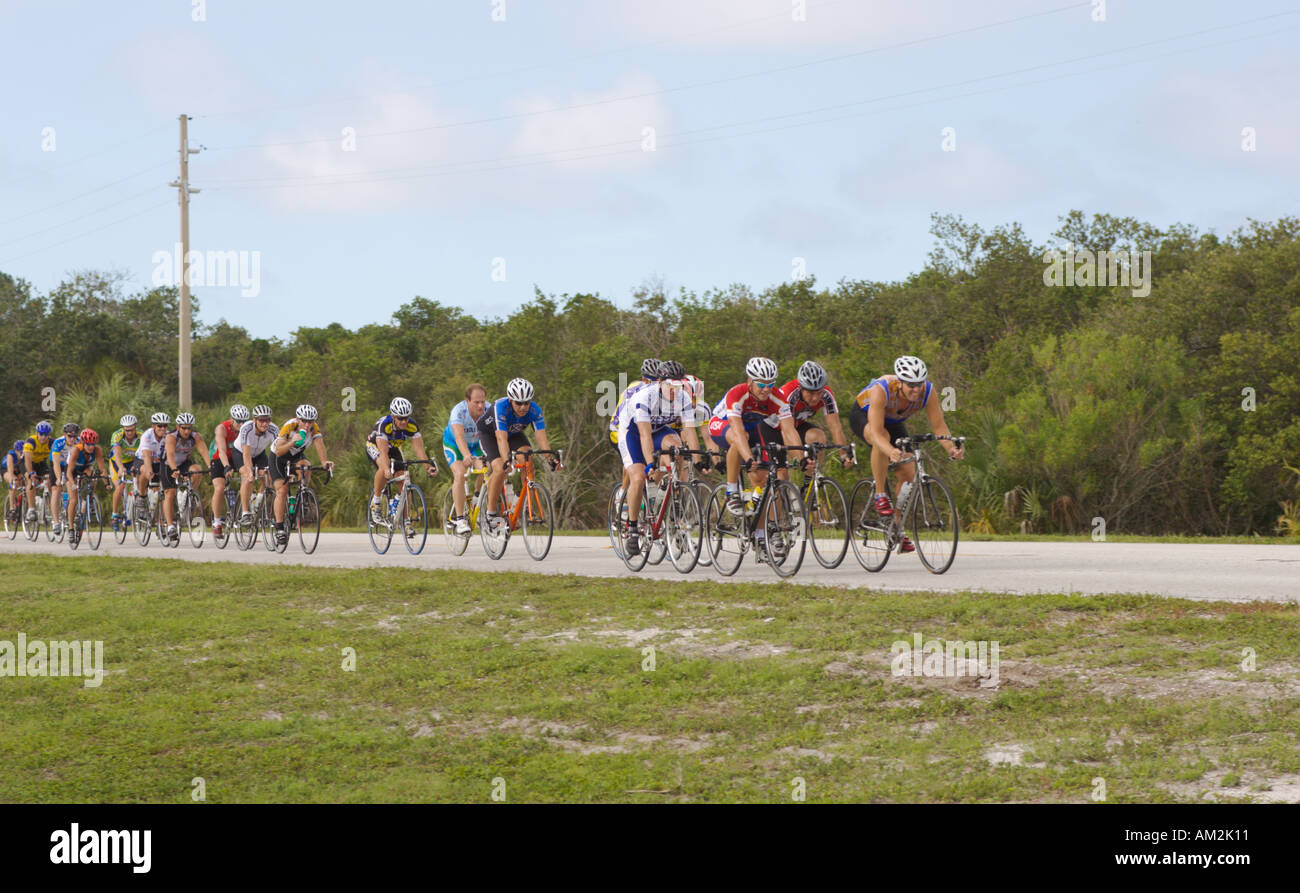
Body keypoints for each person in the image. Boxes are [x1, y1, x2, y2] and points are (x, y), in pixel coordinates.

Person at [848, 355, 965, 552]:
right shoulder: (881, 390)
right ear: (900, 382)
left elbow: (939, 428)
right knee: (883, 438)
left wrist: (951, 448)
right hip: (864, 416)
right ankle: (879, 494)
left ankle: (895, 528)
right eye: (911, 385)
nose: (916, 389)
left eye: (919, 384)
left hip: (894, 422)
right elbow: (876, 433)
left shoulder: (928, 391)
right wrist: (890, 450)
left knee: (909, 473)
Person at [616, 361, 706, 556]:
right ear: (659, 382)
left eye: (678, 386)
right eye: (670, 386)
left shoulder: (682, 397)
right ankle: (632, 528)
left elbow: (690, 432)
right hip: (632, 433)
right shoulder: (644, 397)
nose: (674, 391)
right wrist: (650, 465)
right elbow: (644, 436)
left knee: (679, 449)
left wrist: (698, 460)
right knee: (639, 477)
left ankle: (669, 492)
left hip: (658, 431)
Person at [706, 357, 802, 516]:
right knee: (740, 438)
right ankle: (731, 492)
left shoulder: (777, 398)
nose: (766, 389)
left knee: (763, 482)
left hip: (750, 430)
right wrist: (749, 458)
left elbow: (789, 430)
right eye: (762, 384)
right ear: (750, 381)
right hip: (722, 425)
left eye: (770, 384)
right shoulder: (737, 393)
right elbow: (737, 430)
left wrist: (800, 458)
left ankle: (758, 536)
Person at [477, 378, 562, 533]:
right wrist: (507, 460)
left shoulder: (534, 410)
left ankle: (525, 503)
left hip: (514, 434)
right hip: (490, 435)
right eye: (518, 403)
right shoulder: (500, 407)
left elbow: (541, 438)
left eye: (526, 403)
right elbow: (501, 439)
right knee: (499, 469)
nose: (523, 407)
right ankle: (490, 514)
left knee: (528, 458)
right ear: (510, 400)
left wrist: (551, 458)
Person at [765, 360, 855, 476]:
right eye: (811, 393)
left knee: (818, 436)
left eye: (819, 392)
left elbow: (836, 428)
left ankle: (812, 481)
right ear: (801, 388)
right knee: (782, 474)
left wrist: (843, 454)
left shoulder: (827, 395)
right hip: (773, 428)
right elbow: (787, 431)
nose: (815, 398)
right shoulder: (789, 395)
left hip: (795, 426)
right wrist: (800, 459)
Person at [366, 397, 436, 525]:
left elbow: (419, 449)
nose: (404, 421)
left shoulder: (412, 426)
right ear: (393, 416)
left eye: (407, 418)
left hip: (393, 448)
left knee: (403, 482)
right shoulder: (384, 425)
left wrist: (427, 467)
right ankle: (376, 502)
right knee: (383, 468)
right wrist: (387, 469)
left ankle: (406, 522)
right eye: (400, 418)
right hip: (376, 446)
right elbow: (383, 452)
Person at [270, 404, 334, 545]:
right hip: (278, 457)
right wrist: (292, 441)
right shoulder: (289, 426)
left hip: (295, 456)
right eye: (304, 421)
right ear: (298, 419)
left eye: (310, 421)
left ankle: (302, 494)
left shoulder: (313, 429)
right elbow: (279, 450)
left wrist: (324, 462)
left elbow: (319, 444)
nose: (307, 424)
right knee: (282, 490)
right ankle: (279, 527)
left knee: (306, 466)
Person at [442, 384, 489, 534]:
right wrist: (466, 455)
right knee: (460, 474)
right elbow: (459, 436)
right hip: (454, 444)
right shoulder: (458, 411)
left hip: (475, 445)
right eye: (476, 402)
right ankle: (460, 518)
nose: (481, 405)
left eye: (482, 401)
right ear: (467, 401)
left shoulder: (489, 409)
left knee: (489, 466)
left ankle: (476, 497)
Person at [162, 413, 210, 542]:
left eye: (189, 428)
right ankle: (171, 526)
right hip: (168, 464)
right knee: (170, 493)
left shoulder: (195, 436)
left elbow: (204, 452)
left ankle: (190, 493)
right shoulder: (171, 437)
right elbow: (170, 455)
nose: (187, 431)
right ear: (178, 427)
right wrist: (174, 469)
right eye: (184, 428)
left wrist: (211, 467)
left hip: (184, 463)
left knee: (197, 470)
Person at [209, 404, 250, 538]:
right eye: (239, 421)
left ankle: (247, 508)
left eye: (244, 421)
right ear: (232, 419)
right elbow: (221, 450)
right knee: (220, 488)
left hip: (237, 457)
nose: (242, 424)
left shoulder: (246, 429)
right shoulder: (222, 428)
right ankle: (216, 523)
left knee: (249, 475)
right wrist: (227, 466)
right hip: (220, 459)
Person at [234, 405, 278, 527]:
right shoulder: (246, 428)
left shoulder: (274, 430)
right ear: (254, 420)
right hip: (241, 452)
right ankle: (245, 513)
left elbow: (278, 452)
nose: (264, 423)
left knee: (268, 477)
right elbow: (246, 454)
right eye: (261, 420)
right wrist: (249, 471)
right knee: (247, 477)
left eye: (267, 420)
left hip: (259, 454)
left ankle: (258, 502)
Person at [62, 428, 108, 544]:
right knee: (73, 499)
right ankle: (71, 528)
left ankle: (90, 499)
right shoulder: (76, 450)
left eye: (93, 444)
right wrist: (73, 484)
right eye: (88, 444)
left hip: (85, 468)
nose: (91, 447)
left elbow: (102, 468)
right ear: (83, 442)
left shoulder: (97, 450)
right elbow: (68, 472)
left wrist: (106, 481)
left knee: (93, 475)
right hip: (71, 471)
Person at [133, 413, 171, 523]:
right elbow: (146, 456)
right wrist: (151, 475)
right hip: (142, 459)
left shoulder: (168, 436)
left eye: (165, 426)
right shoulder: (147, 436)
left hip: (159, 462)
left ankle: (163, 522)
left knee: (166, 491)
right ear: (153, 426)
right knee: (145, 471)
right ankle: (142, 496)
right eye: (160, 426)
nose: (163, 428)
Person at [48, 423, 82, 536]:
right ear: (65, 435)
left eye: (74, 436)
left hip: (70, 465)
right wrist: (58, 478)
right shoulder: (58, 442)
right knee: (56, 489)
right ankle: (56, 522)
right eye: (69, 436)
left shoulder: (80, 442)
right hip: (57, 464)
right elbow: (56, 463)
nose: (72, 439)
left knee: (73, 487)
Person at [108, 415, 141, 530]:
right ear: (123, 429)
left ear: (135, 427)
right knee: (120, 485)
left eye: (132, 430)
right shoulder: (117, 436)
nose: (129, 433)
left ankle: (138, 506)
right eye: (127, 430)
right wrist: (121, 467)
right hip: (117, 462)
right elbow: (117, 453)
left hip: (133, 462)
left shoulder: (141, 436)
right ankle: (115, 515)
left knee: (140, 481)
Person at [21, 421, 55, 524]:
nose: (43, 437)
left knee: (50, 481)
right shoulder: (31, 442)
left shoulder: (52, 443)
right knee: (31, 481)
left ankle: (50, 509)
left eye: (46, 435)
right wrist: (31, 473)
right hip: (27, 463)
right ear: (37, 433)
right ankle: (31, 509)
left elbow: (55, 459)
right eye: (41, 434)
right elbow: (27, 460)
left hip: (41, 463)